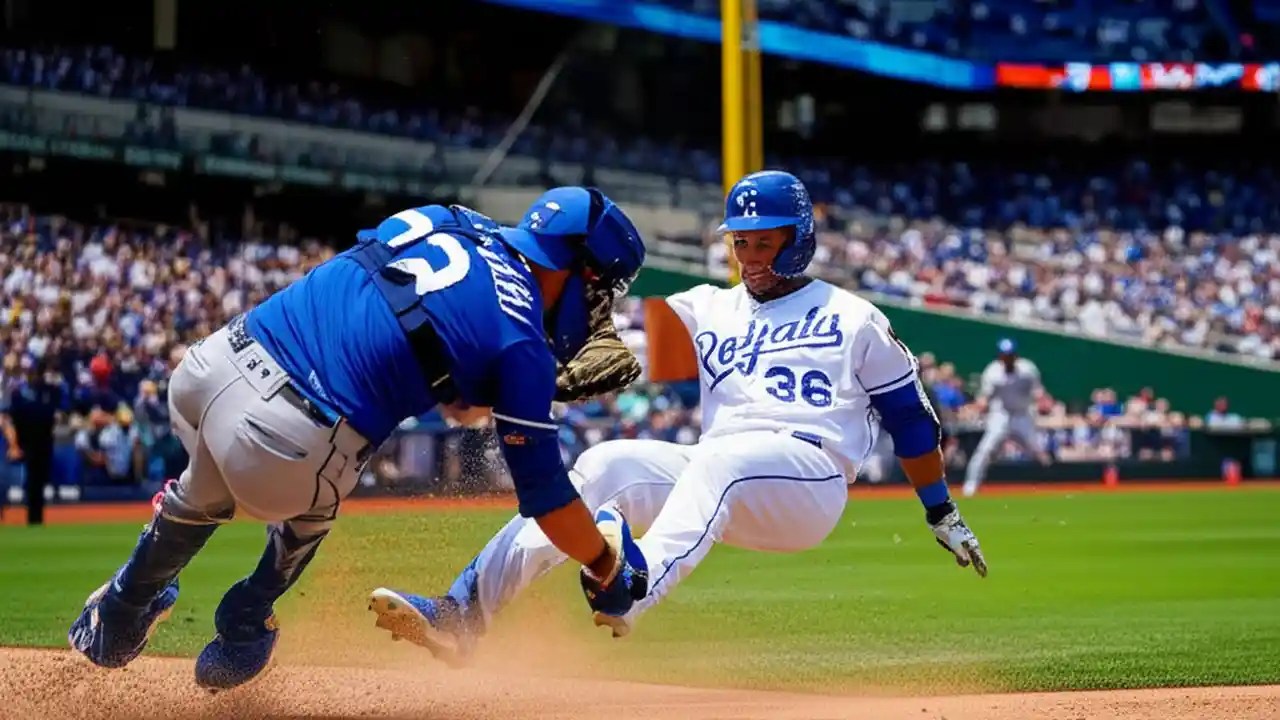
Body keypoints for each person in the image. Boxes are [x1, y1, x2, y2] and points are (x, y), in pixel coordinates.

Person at [368, 170, 987, 664]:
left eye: (764, 240)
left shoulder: (853, 317)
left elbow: (909, 417)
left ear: (798, 239)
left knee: (722, 459)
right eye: (740, 241)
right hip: (714, 471)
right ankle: (461, 613)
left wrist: (941, 509)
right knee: (606, 462)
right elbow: (599, 319)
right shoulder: (702, 306)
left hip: (810, 479)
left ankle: (631, 591)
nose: (749, 255)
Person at [68, 188, 651, 692]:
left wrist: (520, 383)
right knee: (311, 505)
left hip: (206, 369)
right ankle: (245, 620)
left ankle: (121, 610)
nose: (600, 311)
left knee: (206, 490)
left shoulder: (448, 218)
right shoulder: (522, 341)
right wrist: (604, 563)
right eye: (603, 293)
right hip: (280, 444)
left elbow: (448, 380)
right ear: (579, 269)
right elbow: (547, 497)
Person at [961, 338, 1049, 497]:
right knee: (985, 450)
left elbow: (1038, 391)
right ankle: (970, 487)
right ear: (1000, 356)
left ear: (1016, 355)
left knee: (1039, 451)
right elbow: (985, 398)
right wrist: (974, 408)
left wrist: (1043, 400)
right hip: (1001, 415)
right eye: (1005, 355)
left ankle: (1054, 485)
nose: (1008, 358)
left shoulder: (1027, 370)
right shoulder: (993, 372)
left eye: (1010, 355)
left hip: (1023, 414)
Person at [7, 357, 71, 526]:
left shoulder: (50, 390)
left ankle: (37, 517)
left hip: (44, 440)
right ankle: (32, 517)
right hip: (27, 441)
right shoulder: (20, 392)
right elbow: (14, 417)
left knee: (41, 479)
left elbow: (60, 410)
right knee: (32, 480)